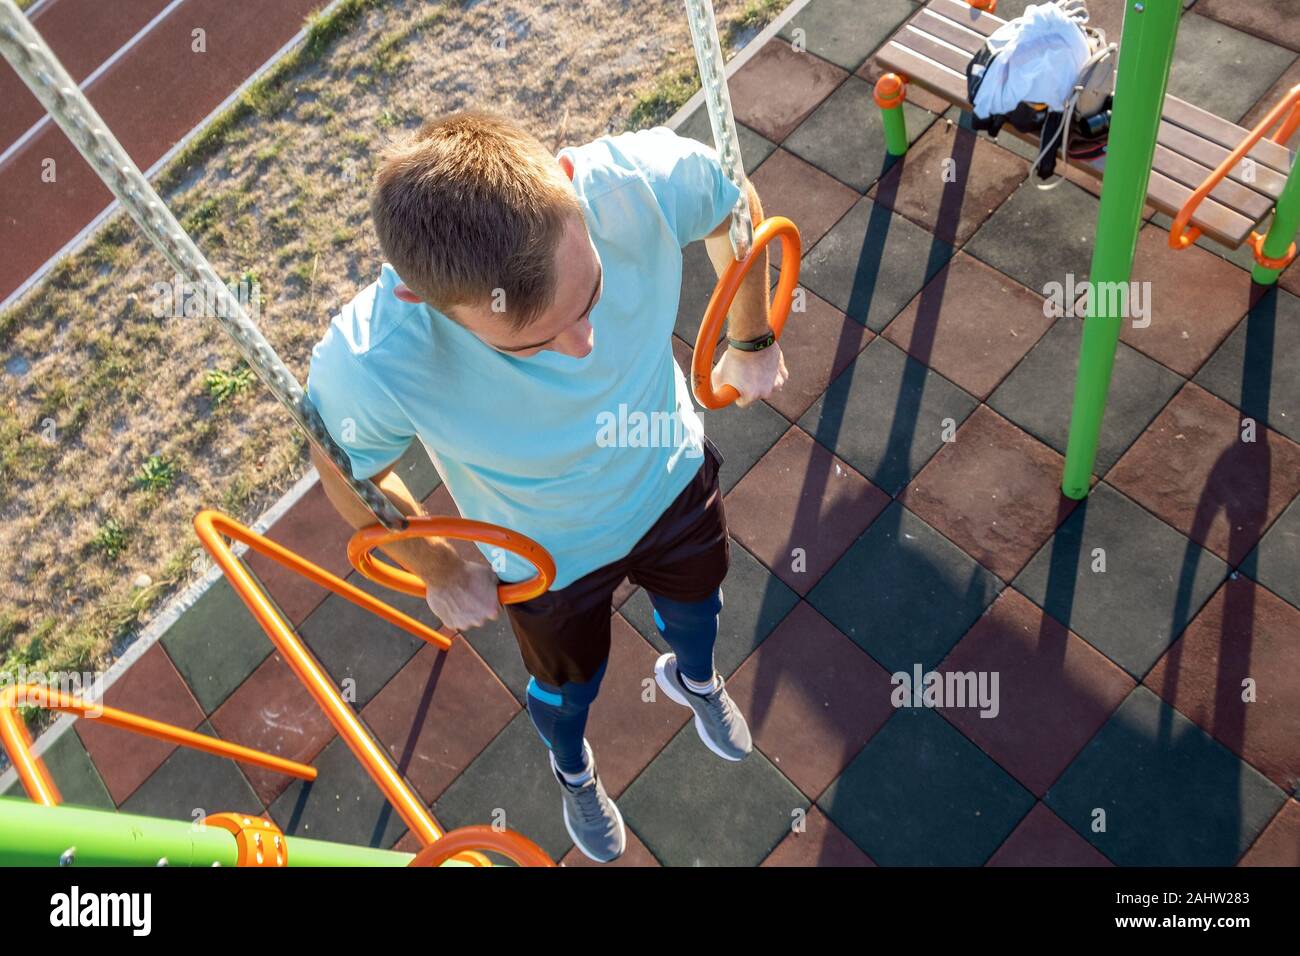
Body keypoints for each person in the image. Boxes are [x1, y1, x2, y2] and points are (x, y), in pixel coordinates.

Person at [306, 110, 787, 863]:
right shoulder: (381, 355)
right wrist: (436, 566)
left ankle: (693, 678)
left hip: (669, 479)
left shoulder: (635, 182)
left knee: (701, 607)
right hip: (544, 558)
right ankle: (575, 770)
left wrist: (751, 335)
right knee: (570, 691)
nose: (584, 346)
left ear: (570, 181)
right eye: (537, 341)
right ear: (418, 299)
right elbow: (340, 463)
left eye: (589, 297)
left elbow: (733, 202)